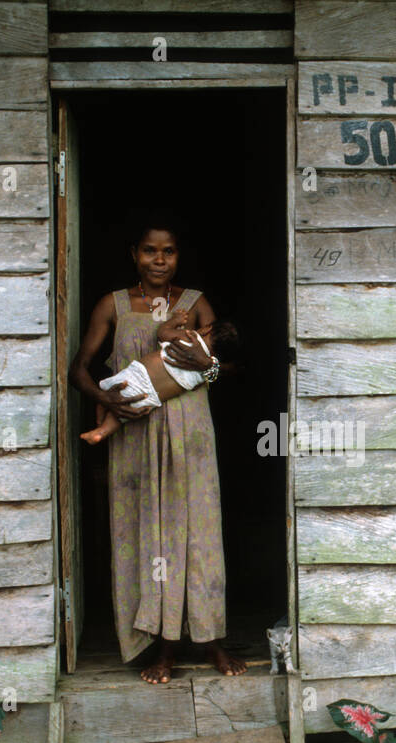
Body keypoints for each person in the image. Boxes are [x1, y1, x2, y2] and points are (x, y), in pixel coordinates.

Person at [68, 220, 246, 684]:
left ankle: (210, 640)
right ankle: (162, 647)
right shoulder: (113, 305)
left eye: (168, 251)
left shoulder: (195, 303)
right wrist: (105, 400)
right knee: (149, 539)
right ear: (135, 254)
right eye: (150, 251)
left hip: (191, 438)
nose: (159, 260)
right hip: (134, 437)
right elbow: (80, 369)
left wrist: (207, 367)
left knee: (200, 536)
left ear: (178, 256)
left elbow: (228, 367)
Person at [80, 312, 240, 446]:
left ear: (206, 329)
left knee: (109, 393)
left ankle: (100, 416)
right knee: (119, 416)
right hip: (150, 399)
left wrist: (174, 321)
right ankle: (101, 433)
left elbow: (163, 333)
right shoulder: (205, 371)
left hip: (139, 376)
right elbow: (196, 386)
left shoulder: (191, 337)